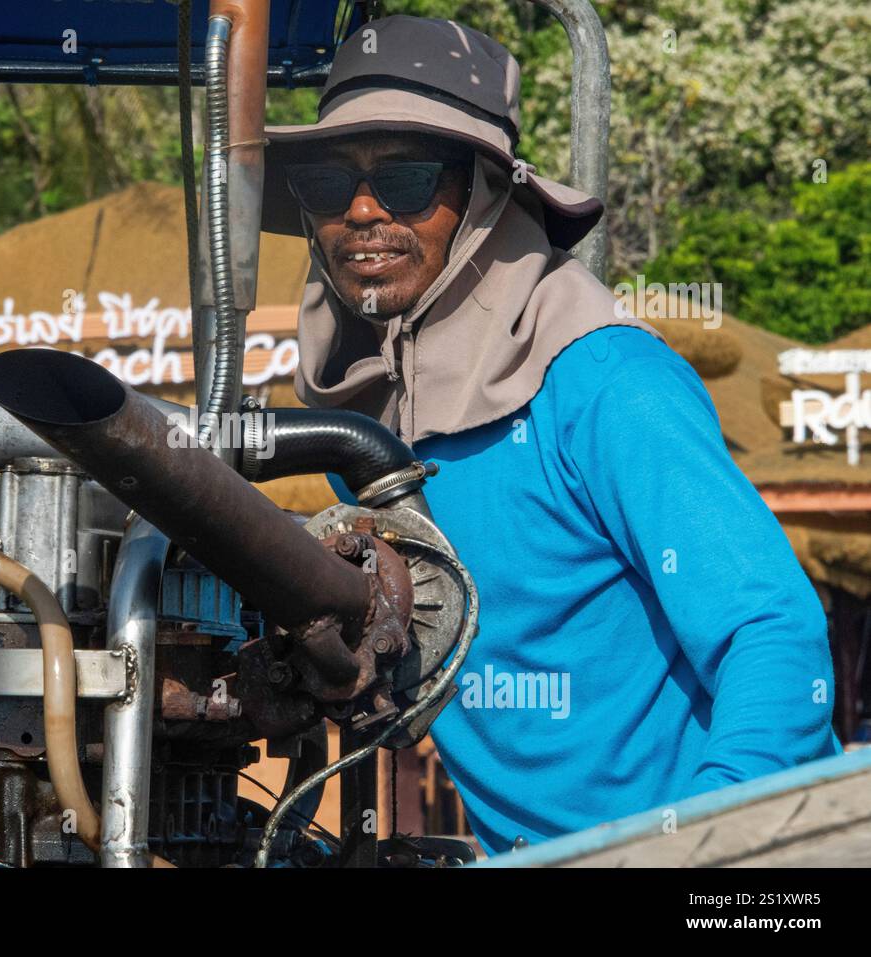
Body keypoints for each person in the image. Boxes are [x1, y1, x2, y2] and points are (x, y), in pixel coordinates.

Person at [260, 15, 840, 854]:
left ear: (486, 194)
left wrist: (696, 849)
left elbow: (772, 634)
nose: (360, 212)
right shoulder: (368, 426)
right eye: (325, 181)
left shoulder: (606, 383)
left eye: (410, 179)